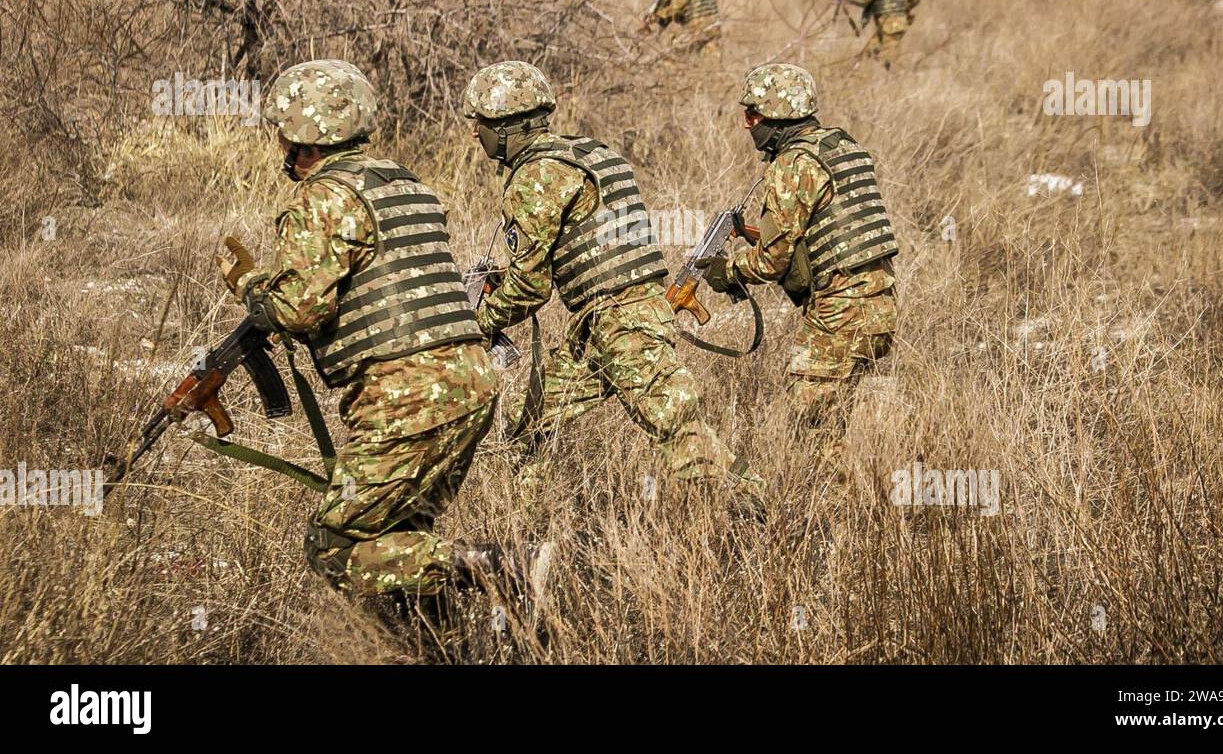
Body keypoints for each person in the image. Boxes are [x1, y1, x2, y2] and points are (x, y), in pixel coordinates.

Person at [218, 58, 501, 604]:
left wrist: (250, 285)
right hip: (472, 382)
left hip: (408, 396)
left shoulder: (322, 197)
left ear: (297, 134)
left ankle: (487, 568)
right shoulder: (408, 185)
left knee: (335, 545)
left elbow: (298, 311)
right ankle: (437, 644)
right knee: (398, 537)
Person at [461, 60, 763, 511]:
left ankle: (757, 512)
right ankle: (520, 525)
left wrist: (475, 325)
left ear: (507, 126)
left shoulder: (537, 175)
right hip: (601, 324)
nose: (475, 134)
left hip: (623, 326)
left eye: (481, 123)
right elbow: (587, 245)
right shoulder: (593, 153)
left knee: (681, 433)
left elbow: (529, 289)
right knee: (532, 428)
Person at [703, 63, 898, 424]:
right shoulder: (841, 145)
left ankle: (825, 485)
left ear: (774, 117)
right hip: (881, 302)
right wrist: (751, 234)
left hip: (841, 309)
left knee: (811, 427)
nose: (748, 125)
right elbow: (823, 231)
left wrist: (728, 271)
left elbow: (772, 263)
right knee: (831, 422)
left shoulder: (791, 164)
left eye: (752, 115)